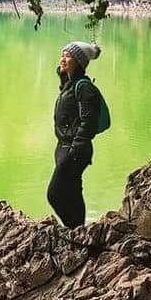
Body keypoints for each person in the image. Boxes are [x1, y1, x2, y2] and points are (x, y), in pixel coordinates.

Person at [47, 40, 101, 228]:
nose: (62, 59)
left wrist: (75, 149)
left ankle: (74, 229)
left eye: (68, 56)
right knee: (73, 192)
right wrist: (63, 72)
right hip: (64, 147)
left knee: (54, 194)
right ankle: (80, 230)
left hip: (75, 150)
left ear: (78, 61)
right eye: (62, 54)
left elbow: (89, 122)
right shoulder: (69, 84)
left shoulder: (84, 87)